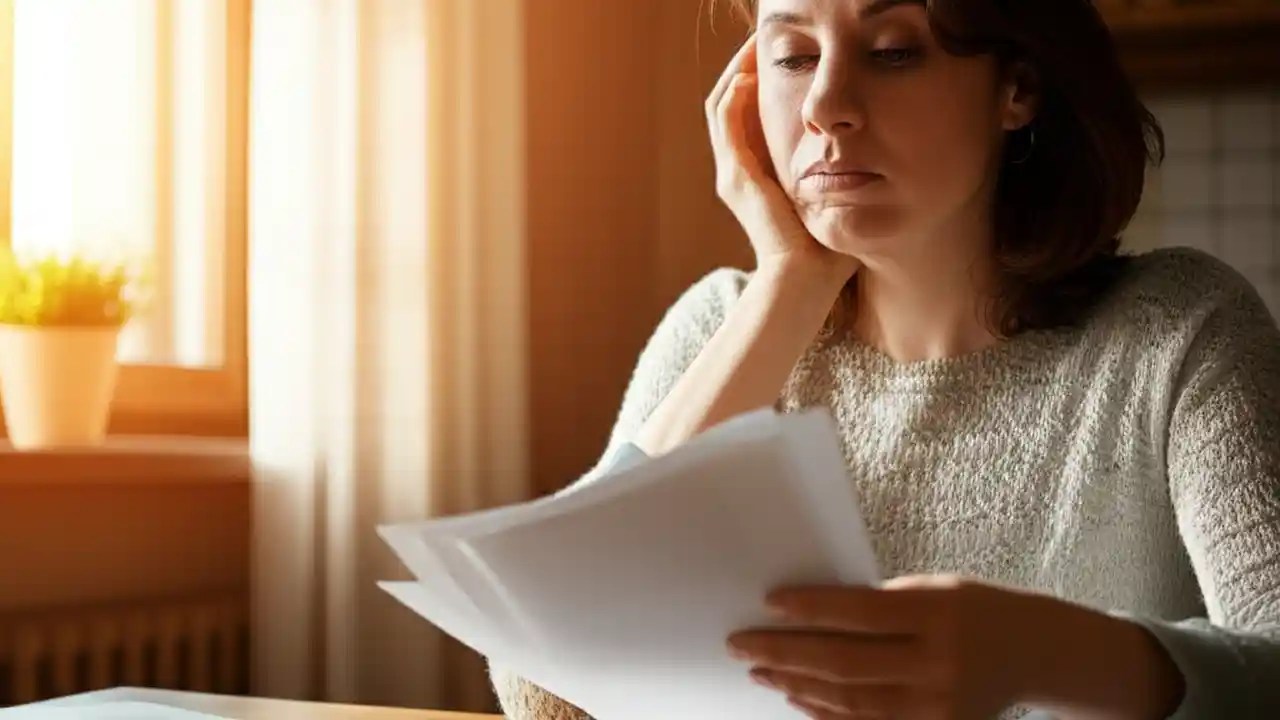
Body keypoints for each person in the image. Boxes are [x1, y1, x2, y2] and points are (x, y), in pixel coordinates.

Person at [491, 0, 1280, 717]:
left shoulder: (1178, 329)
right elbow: (542, 692)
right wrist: (790, 287)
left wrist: (1046, 654)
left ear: (1018, 87)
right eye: (794, 58)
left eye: (893, 51)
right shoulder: (723, 327)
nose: (825, 105)